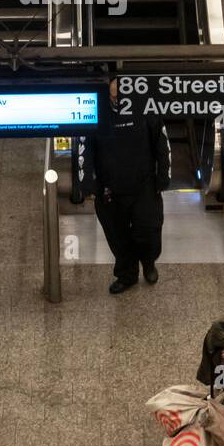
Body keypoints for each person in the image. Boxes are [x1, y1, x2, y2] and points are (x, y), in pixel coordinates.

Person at [75, 79, 171, 294]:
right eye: (115, 93)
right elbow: (85, 148)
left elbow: (161, 144)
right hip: (109, 189)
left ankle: (148, 262)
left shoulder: (146, 106)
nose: (118, 97)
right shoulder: (95, 110)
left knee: (148, 230)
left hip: (144, 185)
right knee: (117, 236)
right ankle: (127, 274)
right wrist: (87, 184)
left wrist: (163, 178)